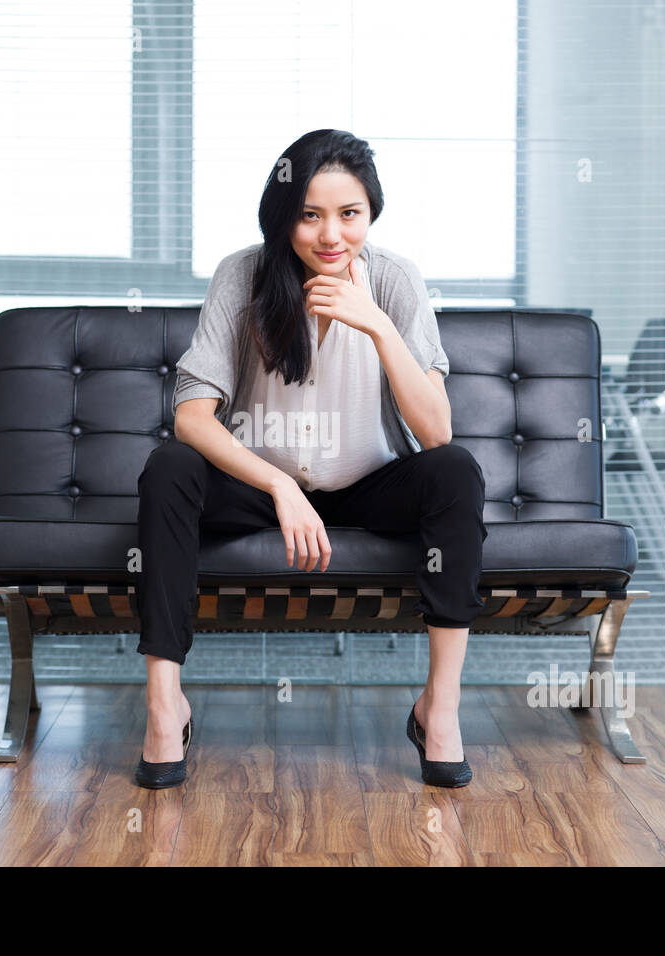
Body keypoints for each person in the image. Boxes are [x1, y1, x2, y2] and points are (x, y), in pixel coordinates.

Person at [134, 129, 488, 789]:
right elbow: (190, 418)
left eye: (349, 214)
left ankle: (439, 708)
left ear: (371, 213)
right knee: (169, 467)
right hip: (260, 487)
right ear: (283, 215)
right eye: (310, 215)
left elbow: (437, 431)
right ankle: (164, 706)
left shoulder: (395, 279)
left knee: (456, 472)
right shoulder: (242, 275)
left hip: (368, 486)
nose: (331, 235)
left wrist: (376, 322)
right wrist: (279, 486)